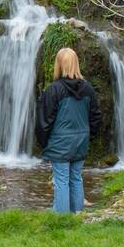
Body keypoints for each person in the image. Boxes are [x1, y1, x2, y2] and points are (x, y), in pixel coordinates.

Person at [34, 47, 101, 213]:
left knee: (62, 180)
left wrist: (44, 143)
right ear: (76, 64)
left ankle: (62, 219)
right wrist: (89, 137)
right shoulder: (88, 89)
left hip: (60, 143)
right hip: (81, 142)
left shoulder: (53, 90)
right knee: (76, 178)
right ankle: (77, 215)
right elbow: (96, 117)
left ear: (59, 65)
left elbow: (44, 122)